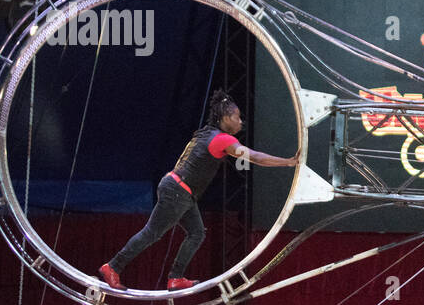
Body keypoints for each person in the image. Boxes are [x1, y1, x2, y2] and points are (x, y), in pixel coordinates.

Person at [98, 90, 298, 291]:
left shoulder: (204, 133)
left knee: (196, 233)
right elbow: (254, 157)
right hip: (178, 191)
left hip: (181, 192)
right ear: (226, 118)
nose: (240, 122)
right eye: (237, 117)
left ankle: (175, 278)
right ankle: (113, 266)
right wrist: (288, 162)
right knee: (152, 233)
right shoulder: (222, 139)